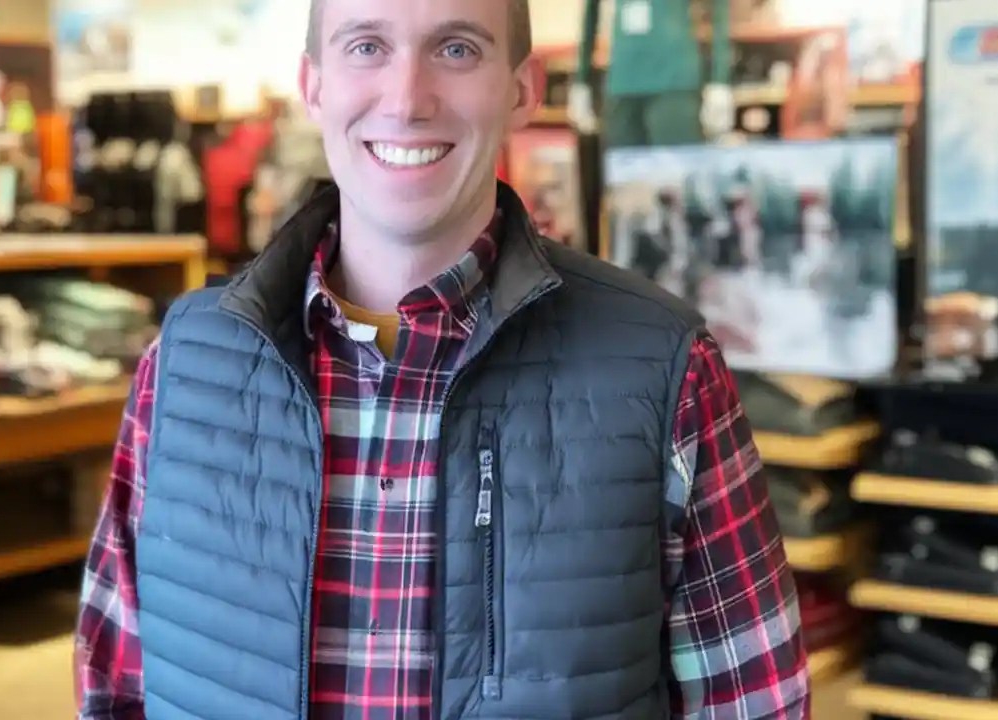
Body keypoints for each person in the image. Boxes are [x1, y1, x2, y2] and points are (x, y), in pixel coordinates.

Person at [73, 0, 809, 718]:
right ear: (314, 85)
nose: (407, 98)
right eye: (367, 46)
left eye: (456, 49)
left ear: (523, 89)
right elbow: (113, 687)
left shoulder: (665, 368)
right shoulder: (188, 362)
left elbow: (753, 702)